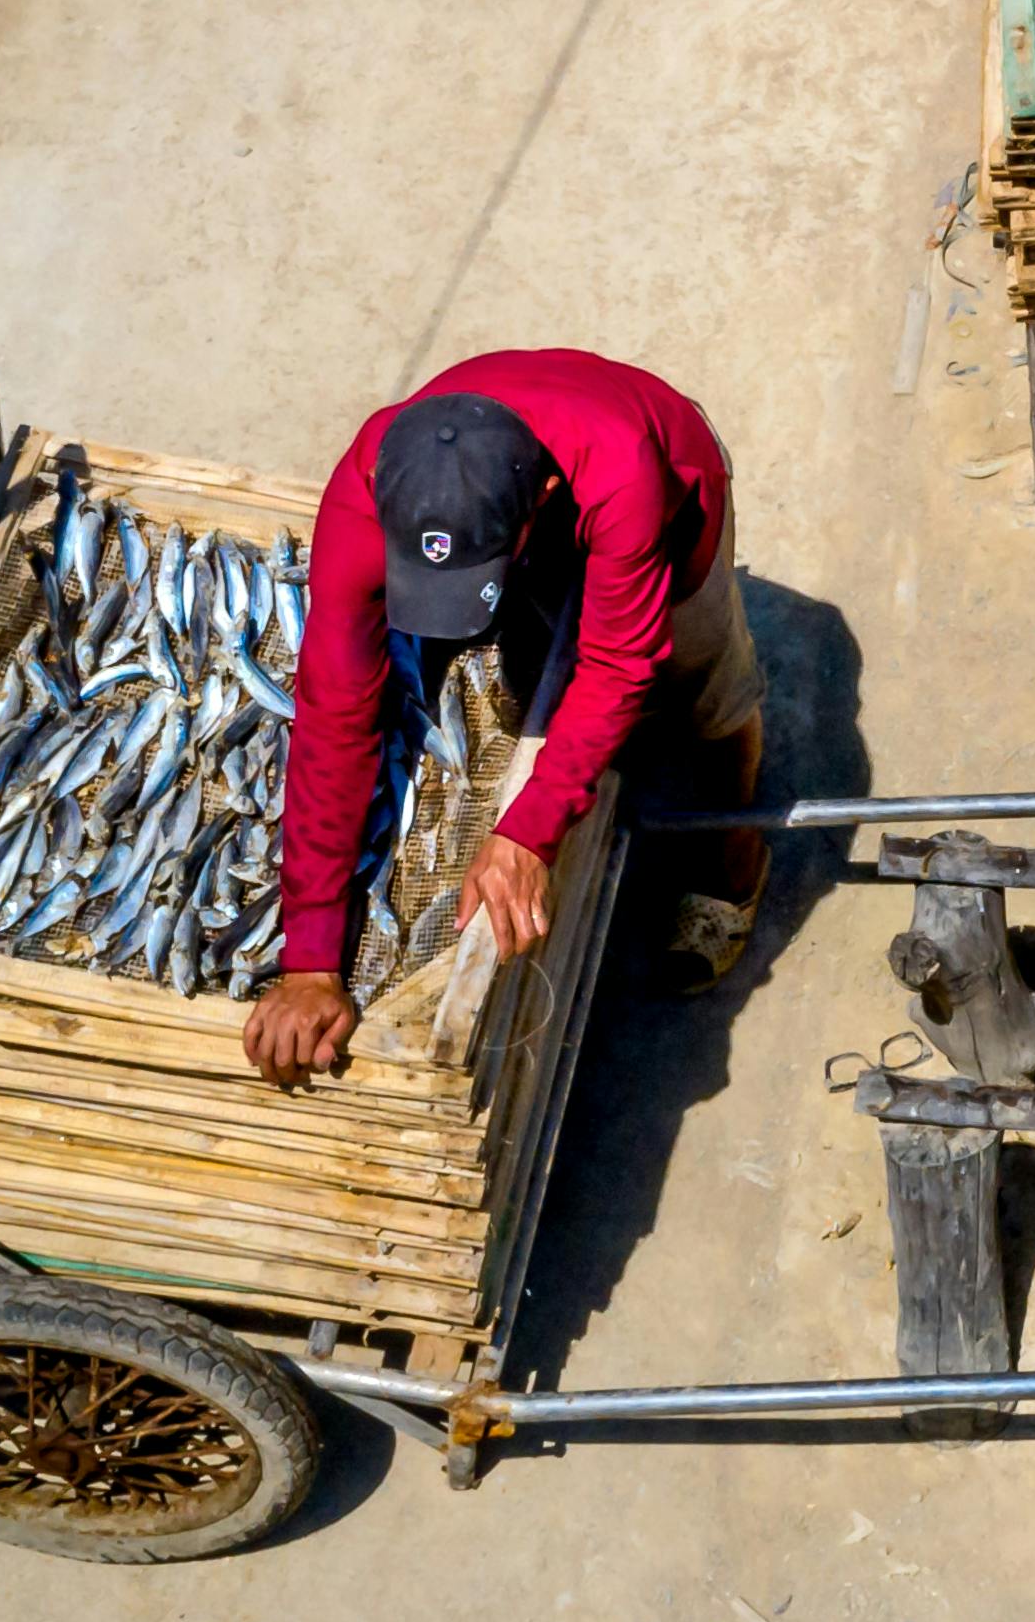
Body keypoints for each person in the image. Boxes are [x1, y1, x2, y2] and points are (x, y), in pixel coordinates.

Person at [240, 351, 768, 1085]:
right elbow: (332, 713)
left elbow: (620, 663)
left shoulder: (623, 473)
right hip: (539, 518)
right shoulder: (364, 487)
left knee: (701, 690)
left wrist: (527, 831)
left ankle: (735, 863)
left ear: (545, 495)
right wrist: (310, 956)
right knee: (545, 674)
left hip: (670, 493)